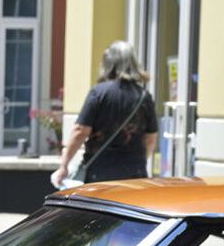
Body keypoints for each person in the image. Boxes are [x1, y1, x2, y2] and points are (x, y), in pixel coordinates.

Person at [54, 41, 159, 187]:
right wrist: (139, 160)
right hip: (135, 173)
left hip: (100, 172)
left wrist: (64, 165)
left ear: (109, 64)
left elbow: (80, 131)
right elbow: (151, 138)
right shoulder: (144, 97)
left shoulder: (99, 93)